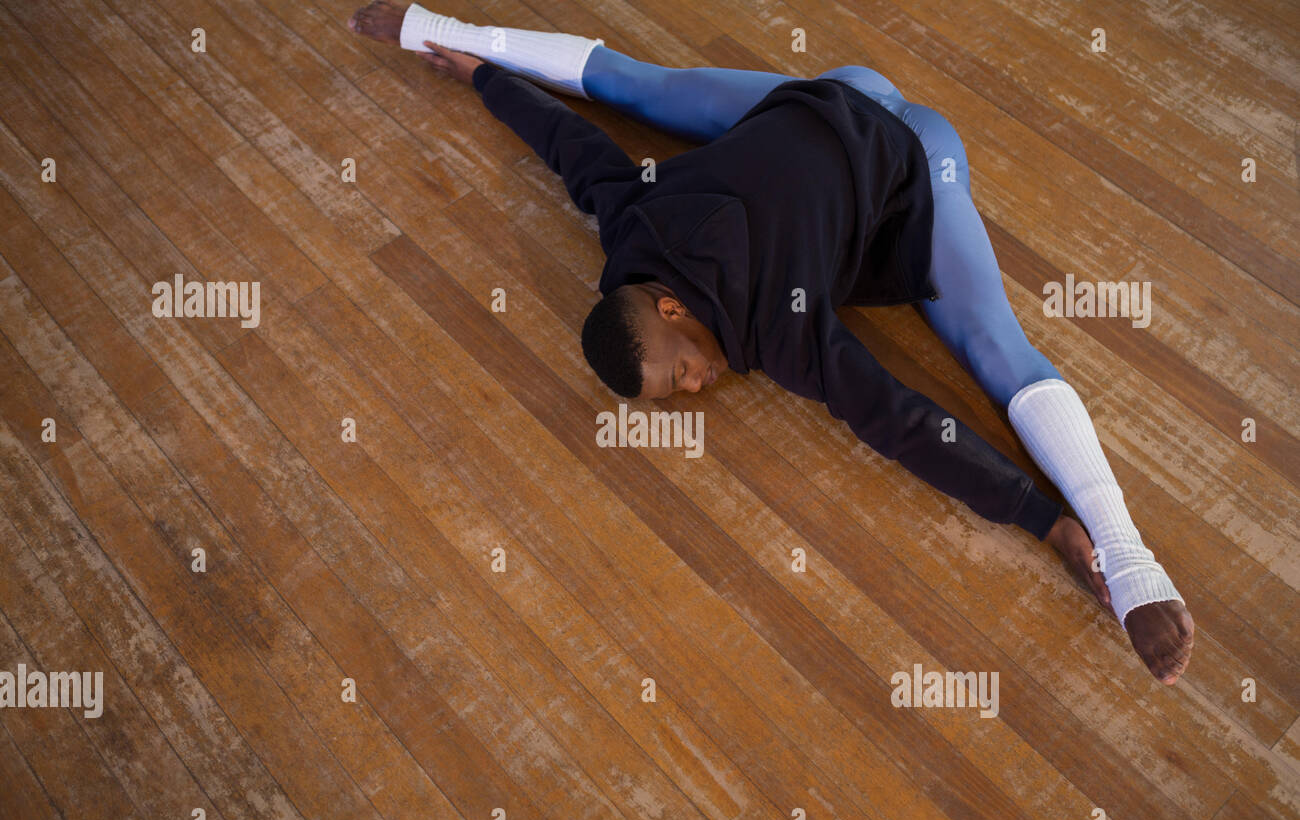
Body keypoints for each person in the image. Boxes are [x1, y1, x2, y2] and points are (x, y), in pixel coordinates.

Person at [348, 2, 1195, 684]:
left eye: (675, 377)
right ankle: (439, 24)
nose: (690, 394)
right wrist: (475, 69)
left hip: (921, 153)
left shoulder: (786, 333)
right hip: (826, 91)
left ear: (673, 311)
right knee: (645, 88)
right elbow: (568, 143)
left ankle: (1126, 553)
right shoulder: (627, 220)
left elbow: (904, 422)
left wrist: (1049, 524)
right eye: (673, 393)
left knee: (990, 342)